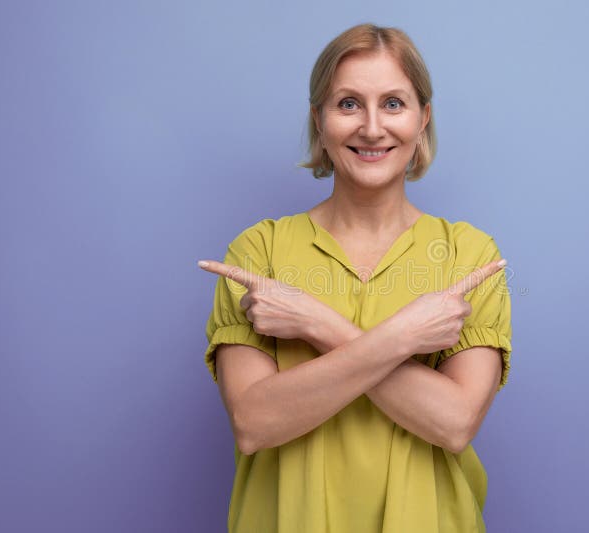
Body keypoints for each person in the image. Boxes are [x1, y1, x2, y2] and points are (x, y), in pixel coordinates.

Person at [197, 23, 513, 533]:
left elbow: (454, 424)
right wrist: (403, 338)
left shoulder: (468, 255)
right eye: (348, 104)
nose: (371, 127)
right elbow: (254, 424)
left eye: (393, 103)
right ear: (319, 121)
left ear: (423, 119)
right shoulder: (260, 252)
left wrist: (319, 322)